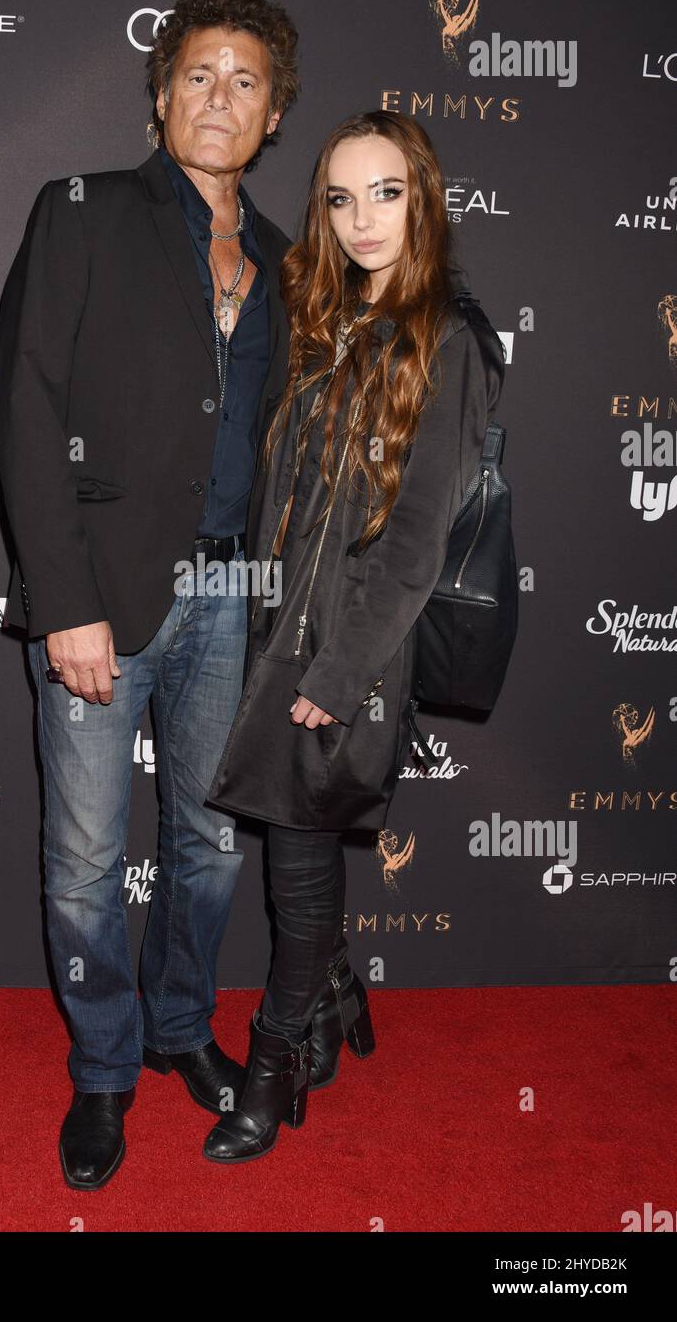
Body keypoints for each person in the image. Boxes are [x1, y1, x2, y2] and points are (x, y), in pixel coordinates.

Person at [0, 0, 299, 1189]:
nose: (219, 98)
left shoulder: (284, 259)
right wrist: (65, 600)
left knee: (213, 848)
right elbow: (26, 408)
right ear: (160, 91)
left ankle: (180, 1027)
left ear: (273, 114)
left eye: (246, 81)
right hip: (101, 599)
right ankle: (105, 1068)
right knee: (81, 856)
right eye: (197, 75)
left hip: (234, 603)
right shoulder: (81, 214)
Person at [201, 109, 507, 1162]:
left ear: (422, 197)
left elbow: (417, 540)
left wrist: (337, 672)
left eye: (386, 192)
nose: (363, 217)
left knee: (295, 850)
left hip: (355, 651)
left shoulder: (449, 337)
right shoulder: (320, 314)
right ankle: (334, 993)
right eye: (340, 196)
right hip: (278, 625)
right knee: (305, 836)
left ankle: (276, 1055)